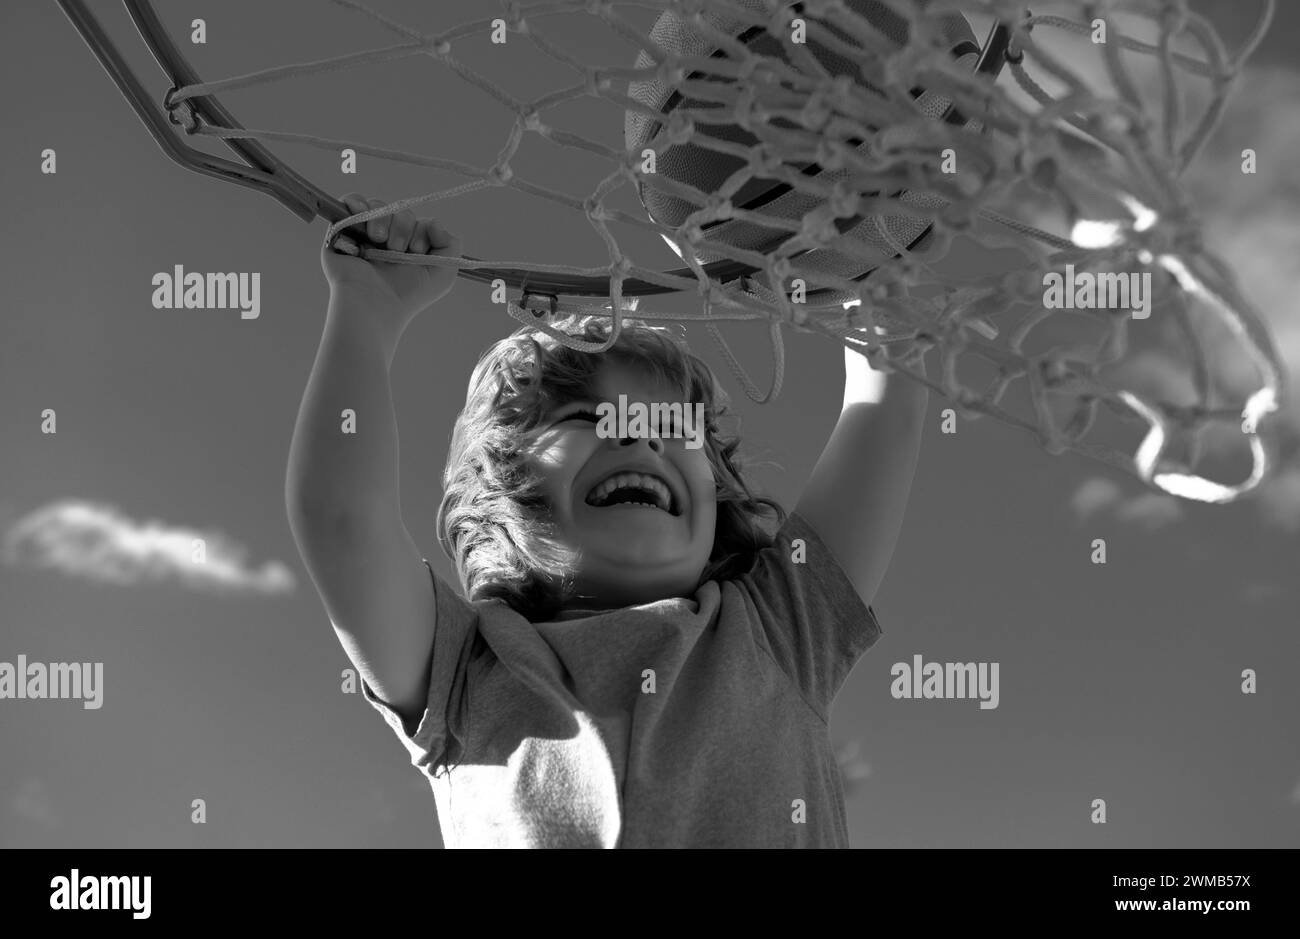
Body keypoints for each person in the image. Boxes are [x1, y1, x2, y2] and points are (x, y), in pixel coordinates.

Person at [286, 194, 928, 847]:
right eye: (589, 419)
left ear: (716, 496)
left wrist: (869, 248)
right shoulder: (465, 671)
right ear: (504, 487)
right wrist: (368, 310)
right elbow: (343, 521)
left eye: (671, 427)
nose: (639, 437)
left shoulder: (779, 626)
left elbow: (887, 409)